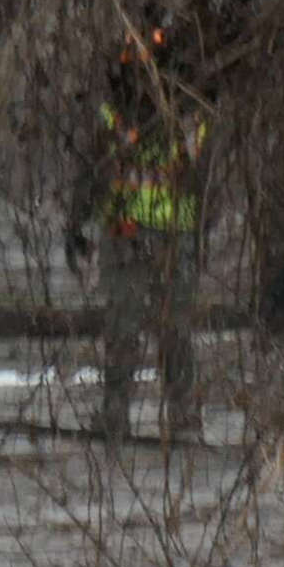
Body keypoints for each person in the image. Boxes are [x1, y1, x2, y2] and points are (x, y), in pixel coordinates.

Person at [95, 33, 204, 444]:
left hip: (171, 234)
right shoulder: (113, 112)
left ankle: (183, 417)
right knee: (123, 328)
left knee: (174, 329)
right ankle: (115, 415)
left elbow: (192, 158)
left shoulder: (190, 111)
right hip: (125, 234)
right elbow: (100, 161)